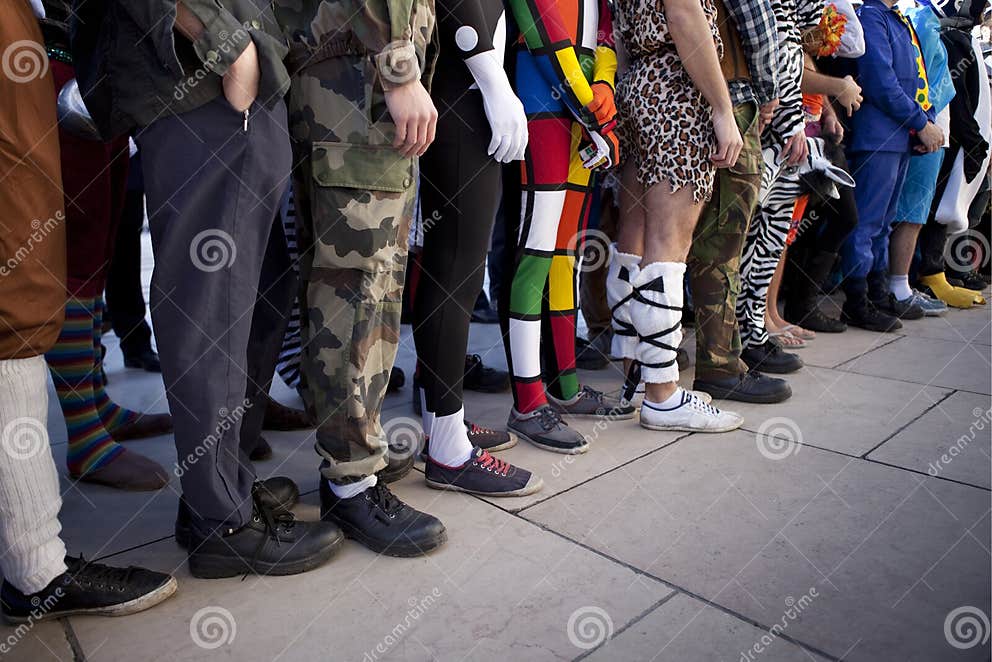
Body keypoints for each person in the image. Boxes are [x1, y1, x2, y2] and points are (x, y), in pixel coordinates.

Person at [76, 0, 344, 577]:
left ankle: (220, 490)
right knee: (210, 304)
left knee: (257, 297)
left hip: (230, 78)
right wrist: (227, 44)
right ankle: (220, 523)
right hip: (200, 82)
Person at [0, 0, 177, 623]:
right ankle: (85, 443)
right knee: (43, 259)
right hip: (37, 55)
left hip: (76, 52)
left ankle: (92, 404)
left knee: (93, 246)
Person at [274, 0, 448, 556]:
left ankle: (358, 451)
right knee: (353, 294)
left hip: (360, 72)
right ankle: (350, 480)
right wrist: (399, 64)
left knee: (372, 287)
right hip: (355, 78)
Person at [412, 0, 542, 496]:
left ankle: (441, 422)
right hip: (463, 90)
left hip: (464, 86)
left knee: (456, 269)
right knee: (456, 271)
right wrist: (492, 82)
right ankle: (447, 448)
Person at [500, 0, 633, 455]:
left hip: (578, 103)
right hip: (544, 99)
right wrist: (597, 109)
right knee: (537, 249)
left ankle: (564, 387)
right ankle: (528, 401)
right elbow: (544, 34)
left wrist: (602, 89)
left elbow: (605, 33)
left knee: (565, 254)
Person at [611, 0, 745, 432]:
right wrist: (723, 110)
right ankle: (663, 395)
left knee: (634, 241)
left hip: (639, 85)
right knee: (668, 247)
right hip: (676, 88)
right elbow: (684, 14)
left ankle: (638, 374)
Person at [683, 0, 794, 405]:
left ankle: (725, 358)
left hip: (714, 93)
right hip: (730, 94)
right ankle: (719, 366)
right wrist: (768, 90)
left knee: (717, 239)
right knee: (722, 241)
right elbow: (757, 20)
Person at [838, 0, 944, 331]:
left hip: (897, 137)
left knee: (884, 223)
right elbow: (881, 82)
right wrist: (919, 122)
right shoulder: (871, 16)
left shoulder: (894, 18)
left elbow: (915, 80)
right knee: (867, 223)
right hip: (878, 136)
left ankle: (877, 292)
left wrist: (922, 122)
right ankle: (857, 301)